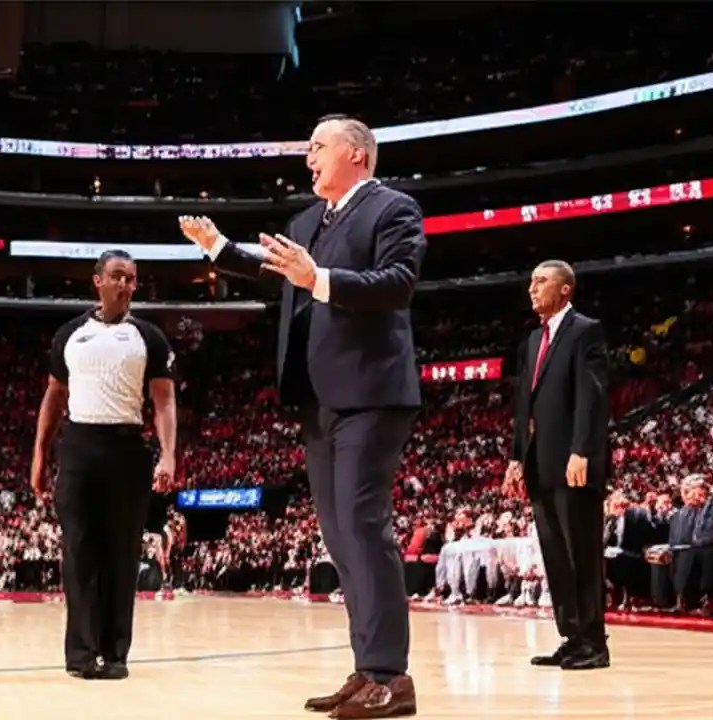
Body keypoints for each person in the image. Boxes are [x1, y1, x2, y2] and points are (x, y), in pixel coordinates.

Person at [177, 113, 425, 718]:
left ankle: (392, 676)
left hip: (370, 391)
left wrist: (319, 278)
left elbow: (396, 283)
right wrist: (220, 250)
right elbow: (284, 283)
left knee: (365, 528)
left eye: (318, 147)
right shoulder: (307, 221)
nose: (308, 157)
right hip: (317, 398)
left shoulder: (393, 210)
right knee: (341, 538)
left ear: (358, 155)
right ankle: (366, 668)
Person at [30, 249, 178, 681]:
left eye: (132, 279)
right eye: (117, 276)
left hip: (127, 447)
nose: (126, 285)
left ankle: (115, 654)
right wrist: (40, 453)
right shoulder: (70, 334)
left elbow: (164, 401)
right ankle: (80, 654)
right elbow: (54, 397)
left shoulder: (150, 337)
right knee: (78, 552)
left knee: (121, 553)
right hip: (77, 446)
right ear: (97, 281)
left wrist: (168, 454)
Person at [504, 260, 610, 670]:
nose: (532, 288)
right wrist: (516, 456)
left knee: (581, 553)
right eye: (530, 281)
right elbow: (523, 406)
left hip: (573, 461)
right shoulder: (532, 341)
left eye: (541, 281)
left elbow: (592, 396)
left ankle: (594, 643)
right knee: (555, 556)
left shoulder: (586, 331)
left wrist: (582, 450)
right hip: (539, 462)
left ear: (565, 289)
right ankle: (571, 637)